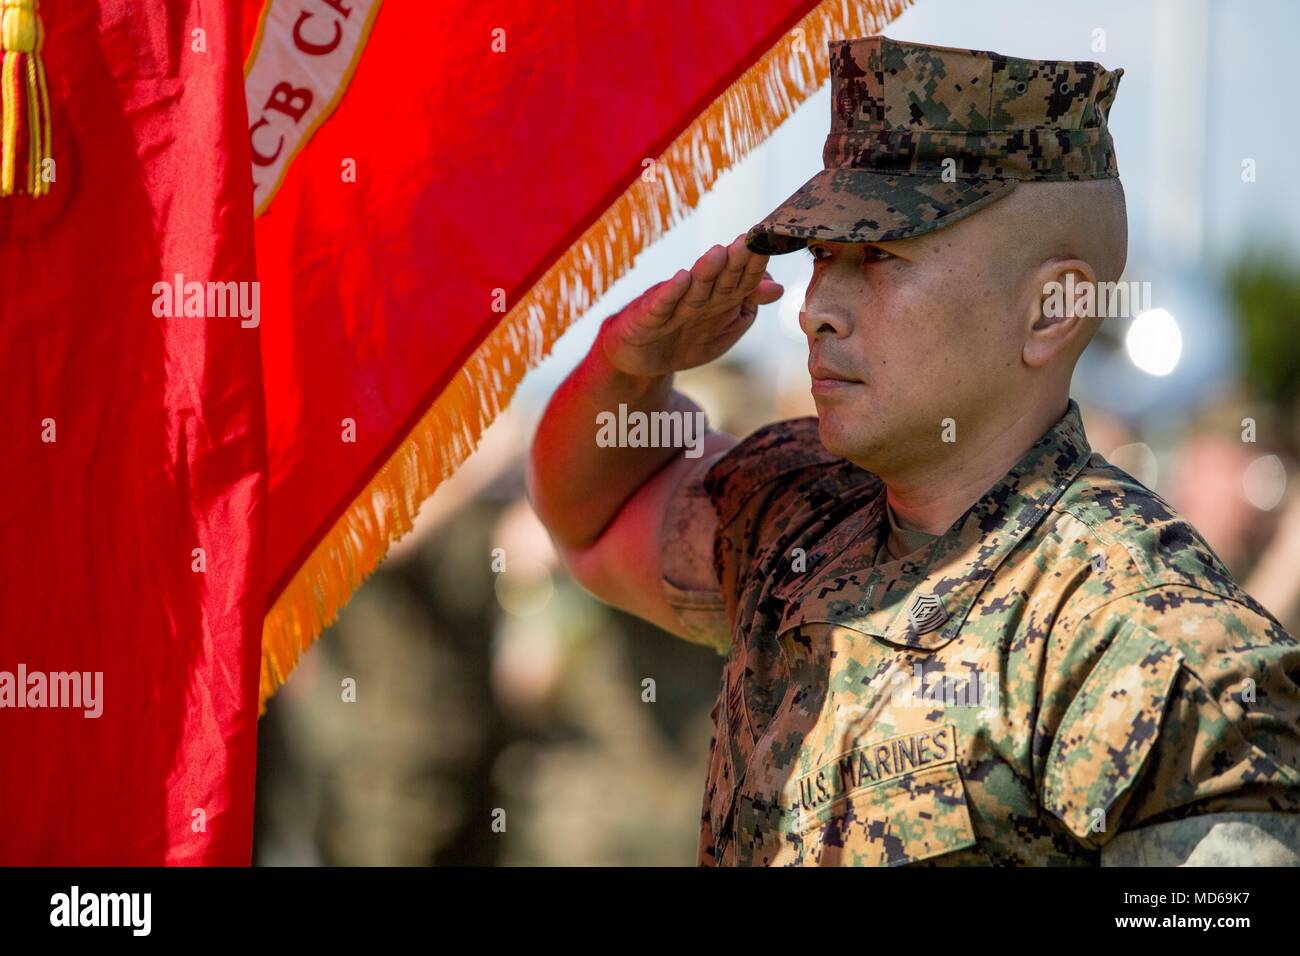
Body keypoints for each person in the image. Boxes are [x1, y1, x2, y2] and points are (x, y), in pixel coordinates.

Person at [528, 35, 1300, 866]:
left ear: (1052, 311)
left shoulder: (1148, 636)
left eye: (880, 258)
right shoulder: (799, 511)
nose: (816, 307)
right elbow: (589, 520)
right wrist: (625, 371)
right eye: (822, 256)